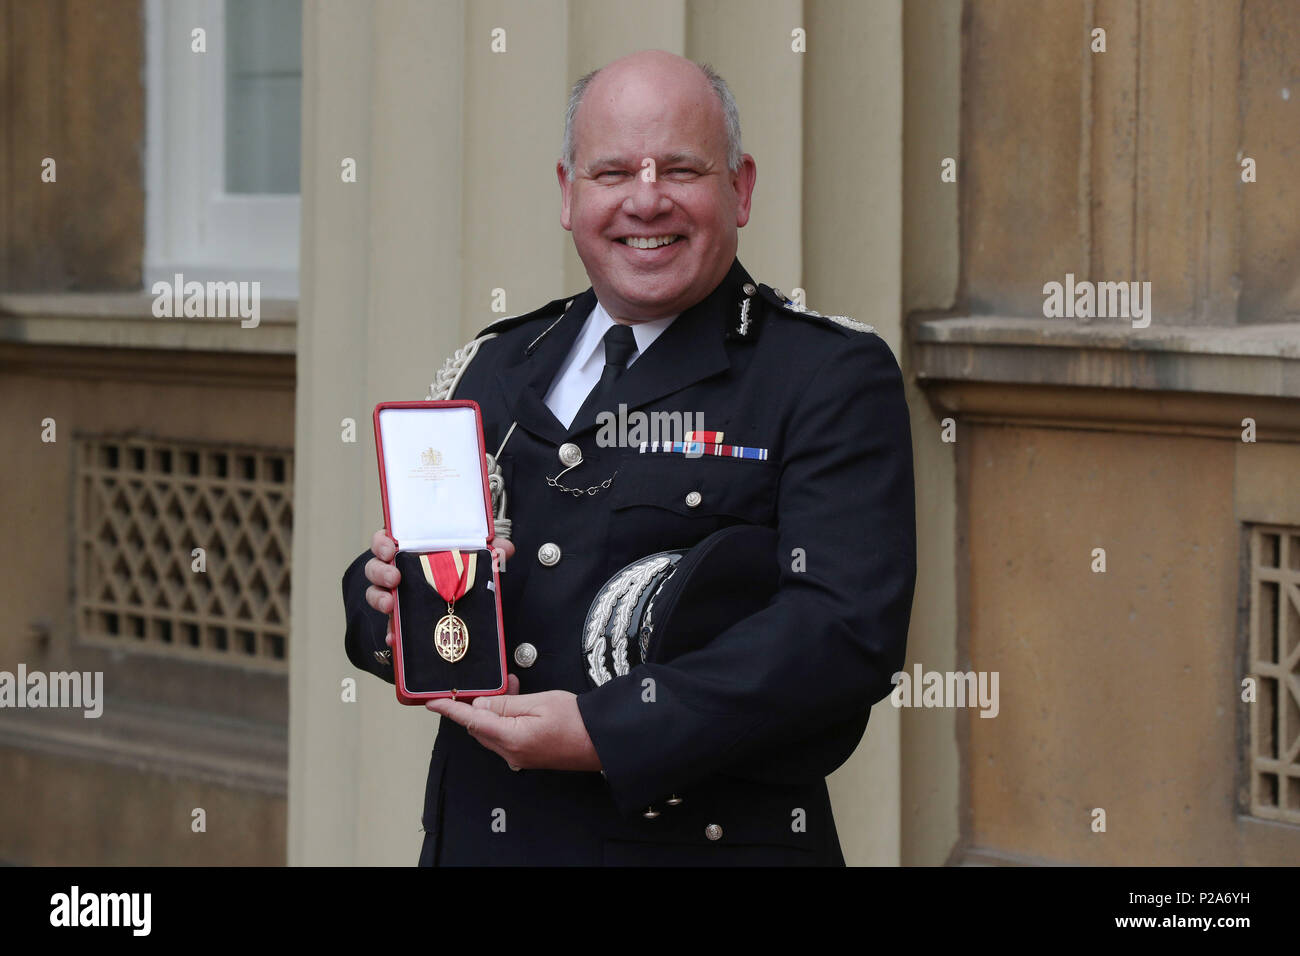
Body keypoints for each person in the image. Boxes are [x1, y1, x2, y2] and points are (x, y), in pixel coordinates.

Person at [341, 49, 916, 866]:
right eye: (611, 173)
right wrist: (388, 605)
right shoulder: (497, 364)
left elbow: (841, 632)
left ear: (740, 188)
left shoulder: (822, 375)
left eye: (681, 169)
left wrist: (607, 730)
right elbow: (423, 579)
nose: (646, 201)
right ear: (568, 194)